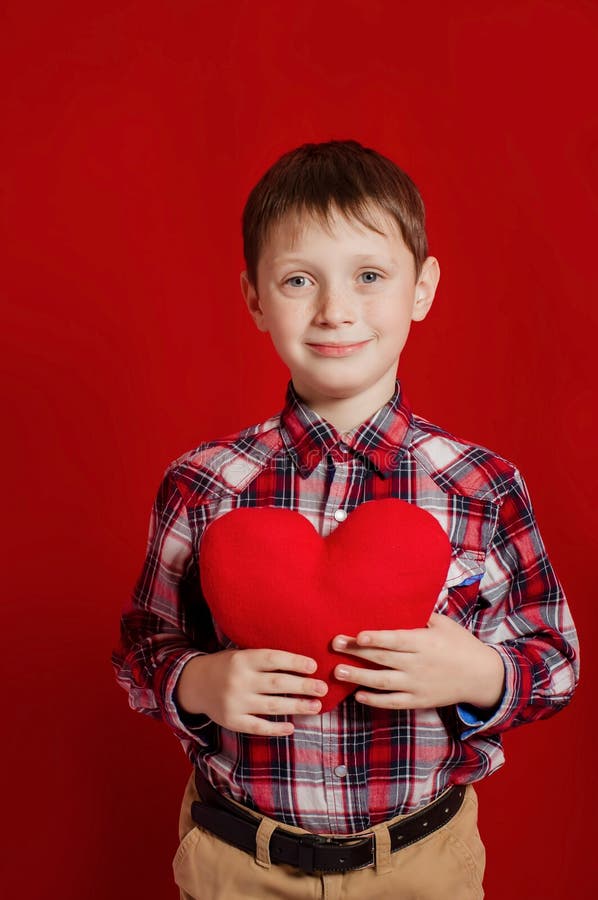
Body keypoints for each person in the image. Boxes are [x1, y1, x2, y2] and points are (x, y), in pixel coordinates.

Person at [112, 140, 579, 900]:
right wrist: (199, 682)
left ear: (421, 288)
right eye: (299, 280)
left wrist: (481, 674)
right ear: (256, 298)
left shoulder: (484, 487)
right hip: (240, 861)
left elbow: (554, 659)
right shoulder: (202, 484)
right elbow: (144, 646)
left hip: (422, 862)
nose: (336, 310)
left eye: (369, 276)